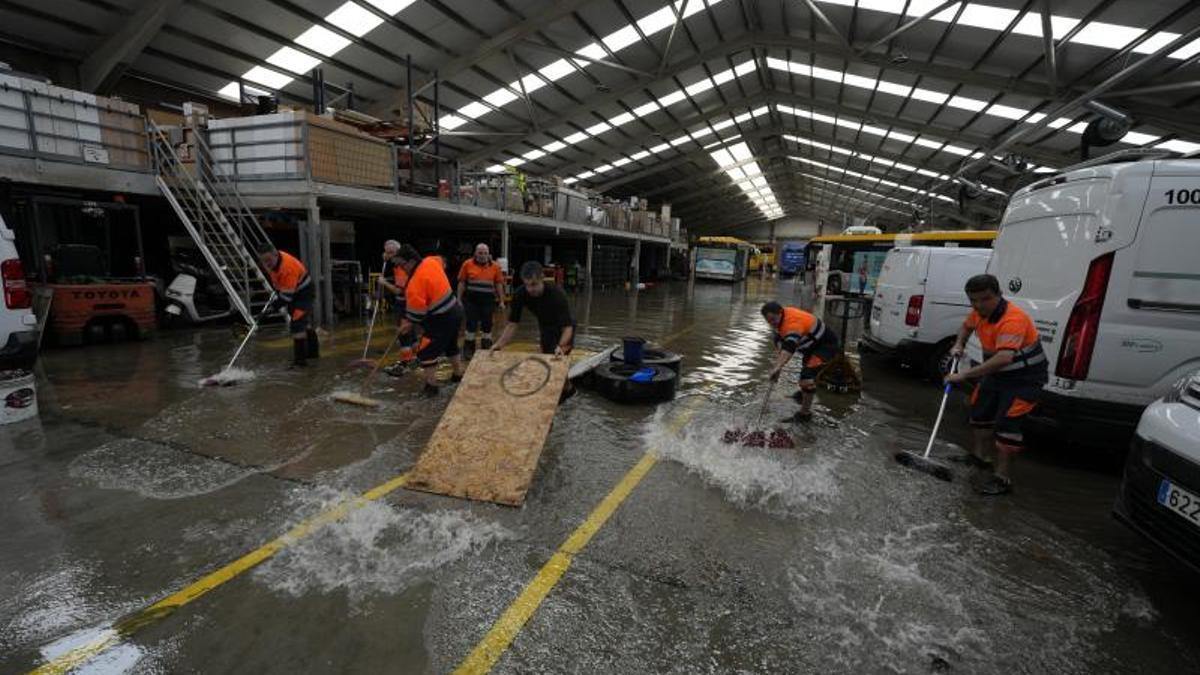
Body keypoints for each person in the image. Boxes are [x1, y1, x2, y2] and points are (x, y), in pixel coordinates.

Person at [944, 274, 1048, 496]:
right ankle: (980, 459)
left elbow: (1003, 358)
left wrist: (963, 375)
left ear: (999, 295)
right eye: (974, 300)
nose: (979, 305)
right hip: (997, 375)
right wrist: (959, 344)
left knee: (1007, 428)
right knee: (980, 415)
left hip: (1024, 380)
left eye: (985, 299)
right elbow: (966, 326)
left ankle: (1002, 478)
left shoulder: (1013, 319)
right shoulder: (979, 313)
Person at [490, 261, 576, 399]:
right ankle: (565, 389)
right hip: (545, 326)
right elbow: (512, 324)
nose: (531, 289)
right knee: (548, 360)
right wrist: (499, 344)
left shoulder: (557, 295)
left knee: (558, 362)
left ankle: (569, 390)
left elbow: (568, 327)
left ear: (542, 278)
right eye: (527, 284)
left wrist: (560, 346)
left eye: (534, 284)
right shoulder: (520, 294)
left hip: (564, 328)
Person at [392, 244, 464, 397]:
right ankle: (458, 375)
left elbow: (416, 315)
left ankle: (432, 388)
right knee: (451, 345)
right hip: (455, 310)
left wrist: (405, 325)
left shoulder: (414, 285)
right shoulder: (431, 261)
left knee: (426, 351)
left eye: (401, 265)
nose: (400, 269)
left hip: (441, 319)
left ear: (411, 262)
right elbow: (441, 261)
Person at [761, 301, 840, 421]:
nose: (772, 323)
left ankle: (804, 414)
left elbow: (789, 348)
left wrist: (777, 368)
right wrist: (777, 368)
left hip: (825, 346)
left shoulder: (792, 323)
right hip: (810, 347)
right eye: (769, 321)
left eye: (773, 319)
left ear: (780, 312)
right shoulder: (779, 323)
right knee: (807, 375)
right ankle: (804, 394)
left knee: (806, 378)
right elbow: (781, 348)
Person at [258, 245, 318, 368]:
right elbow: (279, 282)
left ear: (275, 254)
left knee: (297, 324)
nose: (266, 264)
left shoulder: (287, 267)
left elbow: (286, 298)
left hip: (303, 293)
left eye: (268, 260)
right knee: (303, 324)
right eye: (263, 261)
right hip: (292, 291)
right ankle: (313, 353)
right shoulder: (272, 262)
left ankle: (300, 362)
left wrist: (270, 310)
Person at [457, 243, 506, 360]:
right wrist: (458, 299)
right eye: (480, 253)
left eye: (485, 253)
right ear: (475, 253)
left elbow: (499, 284)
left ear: (488, 254)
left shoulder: (495, 266)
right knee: (471, 325)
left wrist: (501, 301)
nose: (482, 255)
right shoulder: (467, 264)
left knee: (487, 324)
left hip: (488, 301)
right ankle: (469, 349)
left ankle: (486, 346)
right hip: (471, 301)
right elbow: (462, 282)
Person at [377, 240, 417, 375]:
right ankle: (416, 359)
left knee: (403, 333)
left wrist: (384, 283)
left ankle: (405, 363)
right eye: (387, 253)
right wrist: (386, 257)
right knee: (411, 333)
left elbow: (399, 291)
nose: (389, 256)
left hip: (405, 302)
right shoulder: (399, 264)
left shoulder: (402, 269)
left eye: (392, 253)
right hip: (408, 302)